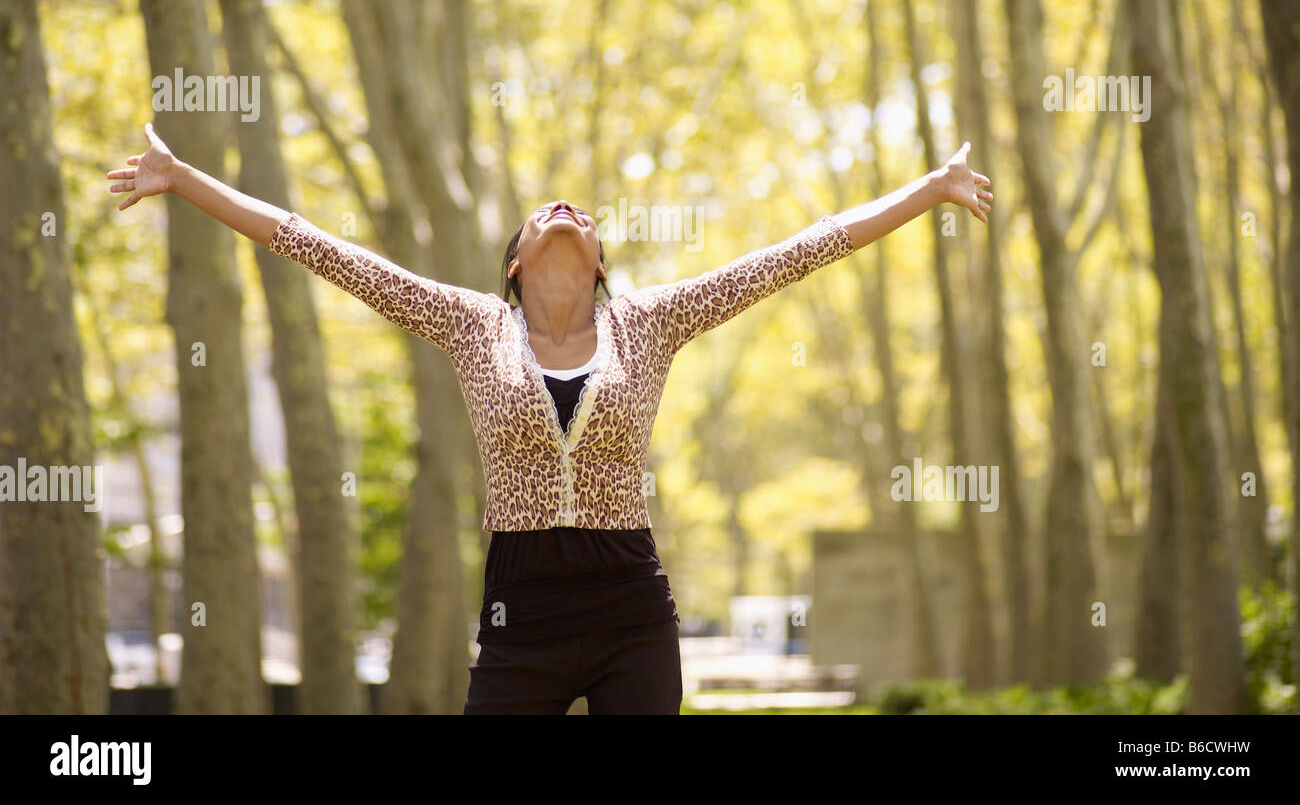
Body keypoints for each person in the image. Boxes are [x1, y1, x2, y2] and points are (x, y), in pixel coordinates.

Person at [108, 122, 992, 714]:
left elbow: (802, 250)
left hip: (629, 604)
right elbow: (313, 244)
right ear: (516, 264)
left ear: (601, 262)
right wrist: (181, 179)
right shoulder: (469, 325)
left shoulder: (652, 322)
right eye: (544, 215)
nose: (565, 211)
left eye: (582, 216)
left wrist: (931, 188)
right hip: (518, 615)